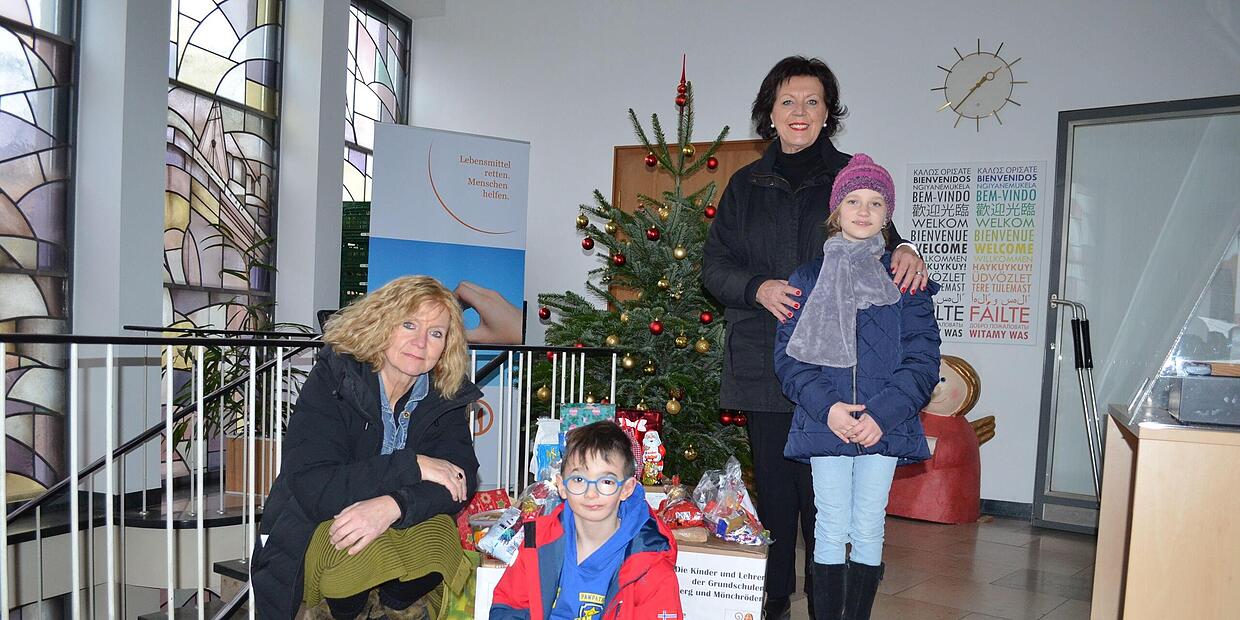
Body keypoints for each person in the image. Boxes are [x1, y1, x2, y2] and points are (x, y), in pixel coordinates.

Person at [702, 55, 928, 620]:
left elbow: (886, 243)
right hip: (767, 357)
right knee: (777, 494)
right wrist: (757, 288)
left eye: (812, 102)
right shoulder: (744, 184)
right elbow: (713, 267)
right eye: (787, 102)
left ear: (828, 113)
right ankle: (774, 599)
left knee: (830, 504)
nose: (799, 112)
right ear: (770, 114)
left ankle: (832, 604)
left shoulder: (854, 176)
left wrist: (906, 249)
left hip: (843, 370)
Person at [250, 275, 483, 620]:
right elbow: (315, 488)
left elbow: (460, 482)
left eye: (436, 333)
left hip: (397, 532)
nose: (421, 342)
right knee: (353, 551)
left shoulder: (442, 394)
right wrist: (413, 466)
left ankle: (393, 606)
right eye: (409, 324)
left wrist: (393, 505)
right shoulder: (336, 379)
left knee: (440, 536)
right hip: (313, 528)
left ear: (446, 344)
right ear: (382, 322)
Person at [775, 154, 940, 620]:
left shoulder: (907, 281)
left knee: (868, 527)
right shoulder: (806, 279)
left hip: (881, 427)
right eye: (853, 200)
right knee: (828, 527)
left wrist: (882, 415)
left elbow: (923, 360)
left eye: (874, 202)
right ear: (836, 210)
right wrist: (828, 409)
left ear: (888, 216)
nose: (863, 211)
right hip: (825, 421)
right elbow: (789, 359)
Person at [490, 421, 683, 619]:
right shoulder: (539, 541)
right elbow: (509, 606)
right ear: (562, 486)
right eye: (579, 479)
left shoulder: (650, 562)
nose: (591, 493)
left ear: (626, 489)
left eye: (606, 481)